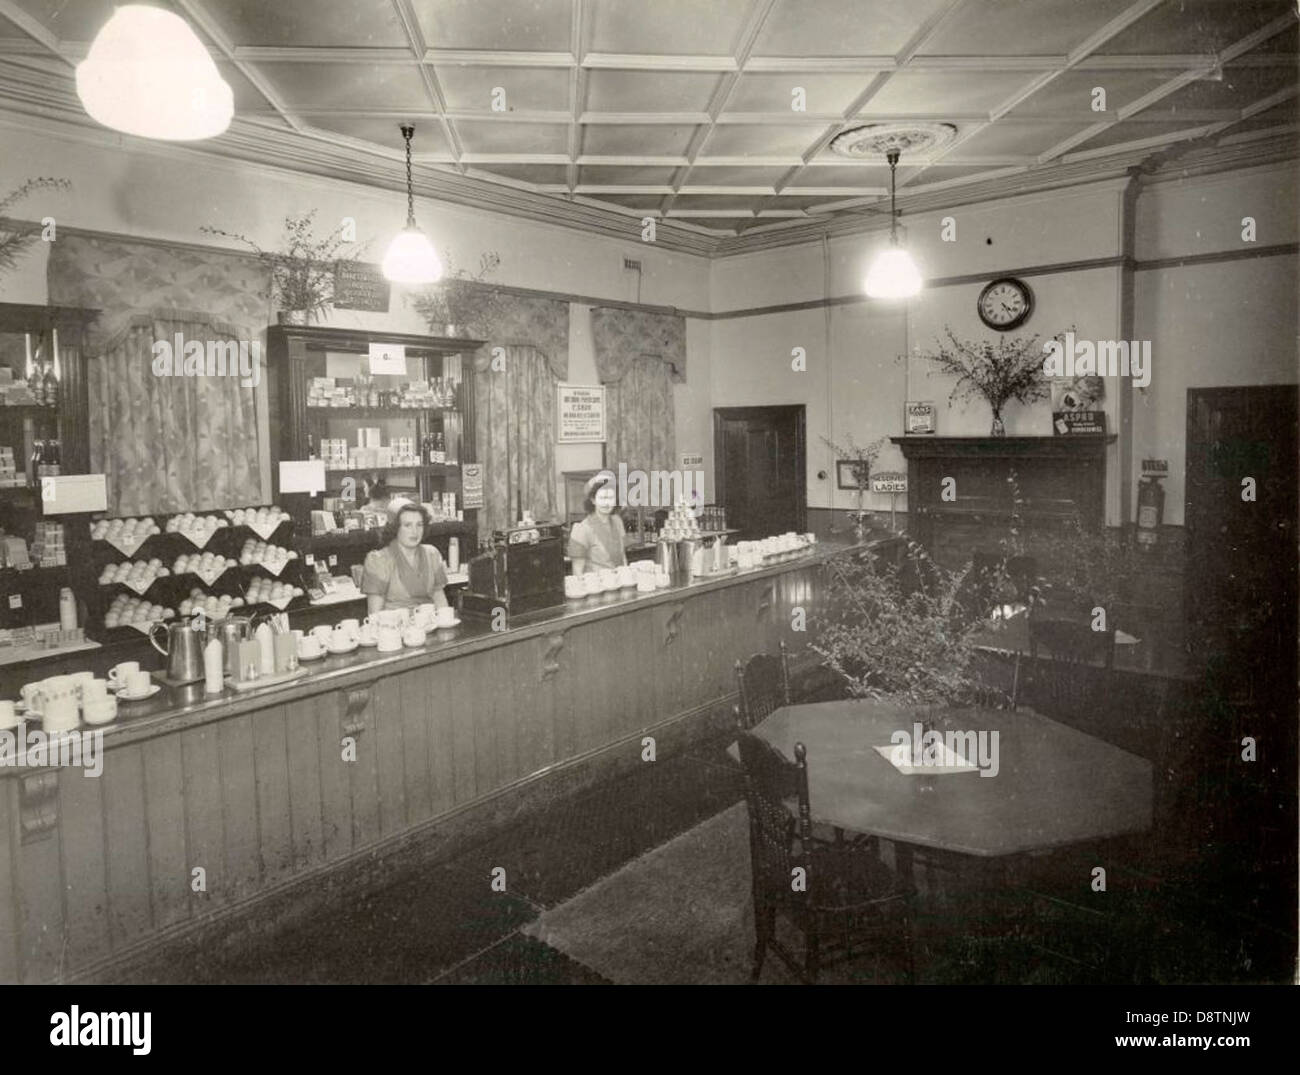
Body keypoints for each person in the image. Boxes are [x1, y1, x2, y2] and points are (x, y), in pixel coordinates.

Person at [361, 502, 450, 613]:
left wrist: (446, 620)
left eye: (419, 525)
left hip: (430, 624)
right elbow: (375, 614)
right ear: (395, 528)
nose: (415, 531)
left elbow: (440, 601)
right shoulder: (379, 559)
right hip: (395, 627)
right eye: (407, 525)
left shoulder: (432, 554)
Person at [567, 473, 628, 575]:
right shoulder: (582, 529)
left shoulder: (617, 521)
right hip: (595, 588)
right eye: (602, 498)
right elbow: (577, 571)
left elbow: (623, 557)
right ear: (593, 500)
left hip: (619, 584)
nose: (606, 503)